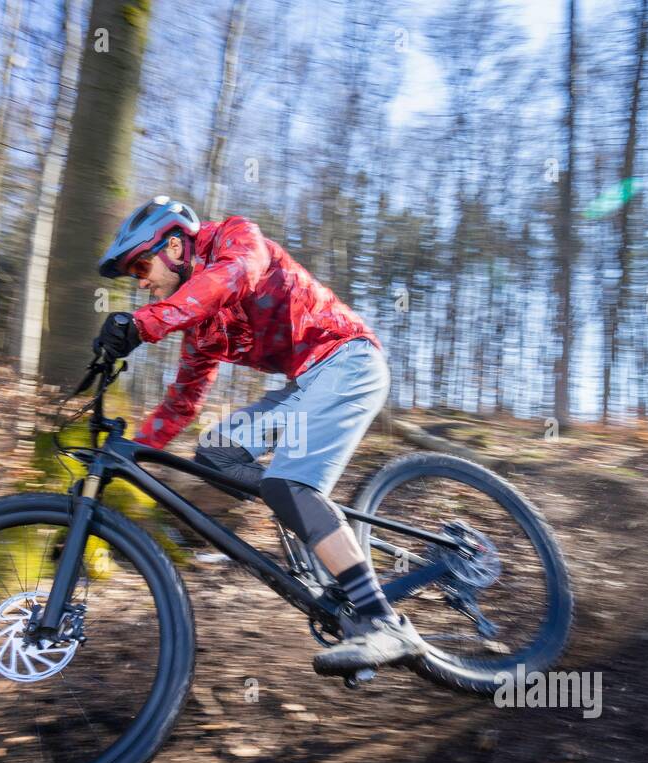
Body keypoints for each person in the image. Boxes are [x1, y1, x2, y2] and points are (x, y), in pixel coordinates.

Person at [95, 195, 425, 676]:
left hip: (348, 361)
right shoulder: (201, 327)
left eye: (142, 266)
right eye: (134, 275)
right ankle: (307, 515)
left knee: (288, 485)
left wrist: (144, 325)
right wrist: (129, 451)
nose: (141, 281)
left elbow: (235, 276)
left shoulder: (234, 237)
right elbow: (182, 403)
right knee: (216, 451)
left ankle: (385, 623)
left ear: (174, 244)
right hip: (305, 385)